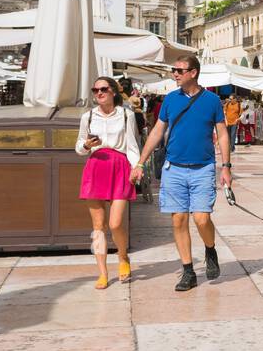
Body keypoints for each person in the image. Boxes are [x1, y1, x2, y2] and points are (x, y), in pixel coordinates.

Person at [131, 55, 232, 292]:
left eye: (179, 70)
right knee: (178, 219)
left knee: (201, 218)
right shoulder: (170, 100)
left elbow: (223, 134)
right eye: (173, 70)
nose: (174, 74)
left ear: (193, 72)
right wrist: (140, 163)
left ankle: (210, 249)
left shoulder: (212, 100)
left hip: (203, 167)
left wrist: (226, 167)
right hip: (173, 168)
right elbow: (157, 131)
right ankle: (188, 271)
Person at [77, 76, 140, 289]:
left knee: (115, 223)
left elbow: (132, 145)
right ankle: (102, 273)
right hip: (95, 167)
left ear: (113, 91)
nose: (98, 93)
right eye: (95, 90)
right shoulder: (88, 116)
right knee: (98, 226)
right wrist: (85, 145)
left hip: (120, 166)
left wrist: (136, 167)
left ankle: (123, 257)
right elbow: (78, 147)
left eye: (103, 89)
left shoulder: (125, 114)